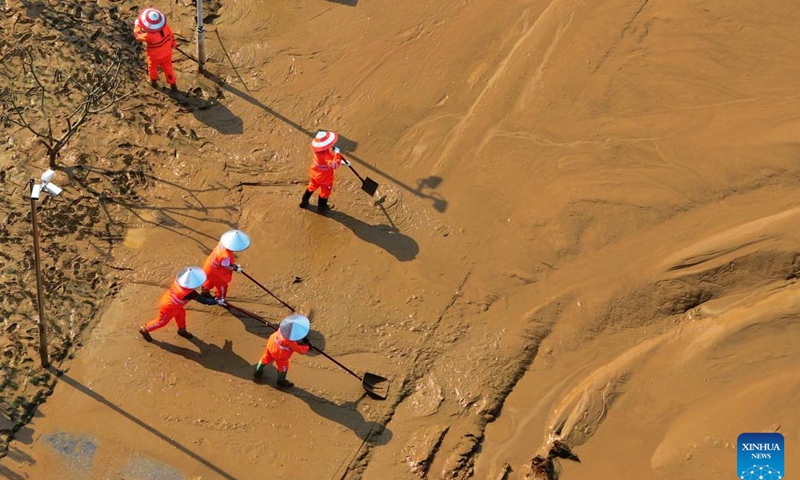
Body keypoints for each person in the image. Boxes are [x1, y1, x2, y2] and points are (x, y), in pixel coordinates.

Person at [139, 266, 222, 342]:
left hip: (173, 302)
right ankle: (145, 329)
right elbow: (205, 301)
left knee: (181, 315)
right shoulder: (190, 293)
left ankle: (182, 330)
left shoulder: (178, 280)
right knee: (161, 322)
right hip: (168, 307)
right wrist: (217, 301)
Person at [253, 314, 311, 387]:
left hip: (271, 345)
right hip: (280, 355)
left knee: (264, 358)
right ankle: (281, 381)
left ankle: (258, 371)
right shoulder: (291, 341)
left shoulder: (281, 329)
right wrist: (307, 347)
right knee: (283, 368)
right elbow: (301, 350)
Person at [299, 130, 350, 213]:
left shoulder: (317, 151)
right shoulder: (326, 155)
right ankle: (322, 207)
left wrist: (342, 162)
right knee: (325, 192)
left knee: (311, 187)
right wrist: (337, 153)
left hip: (315, 174)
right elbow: (333, 165)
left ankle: (303, 203)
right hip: (325, 178)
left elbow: (329, 160)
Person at [133, 7, 178, 91]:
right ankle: (173, 84)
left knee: (152, 67)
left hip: (155, 56)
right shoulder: (166, 27)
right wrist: (173, 44)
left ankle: (153, 80)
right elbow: (171, 37)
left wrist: (137, 26)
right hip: (167, 52)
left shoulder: (149, 35)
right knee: (168, 68)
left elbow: (138, 36)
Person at [201, 229, 250, 302]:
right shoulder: (226, 256)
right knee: (222, 287)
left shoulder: (222, 243)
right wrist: (236, 269)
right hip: (217, 273)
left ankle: (205, 291)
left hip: (209, 266)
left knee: (209, 280)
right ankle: (220, 298)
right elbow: (226, 266)